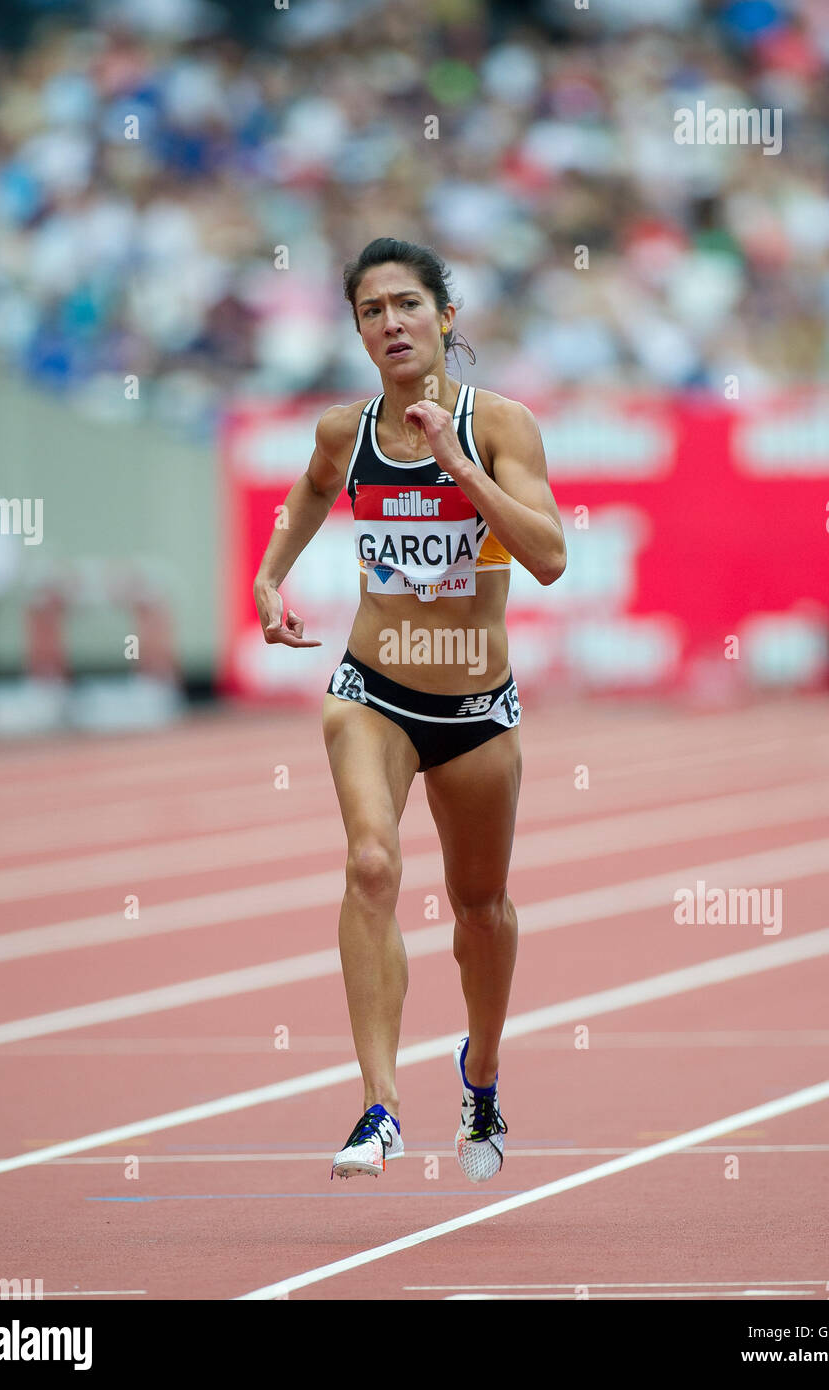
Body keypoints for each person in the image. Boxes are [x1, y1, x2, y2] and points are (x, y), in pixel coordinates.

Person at [252, 237, 566, 1183]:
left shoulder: (499, 425)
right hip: (372, 691)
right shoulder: (342, 434)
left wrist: (452, 460)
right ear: (356, 330)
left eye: (406, 305)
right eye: (370, 311)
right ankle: (378, 1106)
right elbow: (309, 494)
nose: (390, 323)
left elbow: (549, 554)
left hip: (474, 701)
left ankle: (479, 1072)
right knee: (372, 863)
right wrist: (269, 580)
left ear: (445, 317)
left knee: (480, 909)